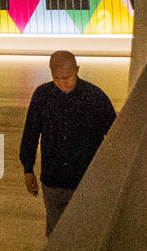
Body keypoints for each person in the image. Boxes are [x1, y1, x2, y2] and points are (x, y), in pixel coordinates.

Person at [20, 50, 117, 237]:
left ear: (77, 70)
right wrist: (28, 169)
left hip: (87, 181)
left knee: (86, 233)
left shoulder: (96, 98)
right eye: (57, 79)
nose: (63, 83)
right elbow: (31, 134)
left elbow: (116, 138)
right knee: (57, 235)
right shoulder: (41, 96)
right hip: (53, 181)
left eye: (68, 77)